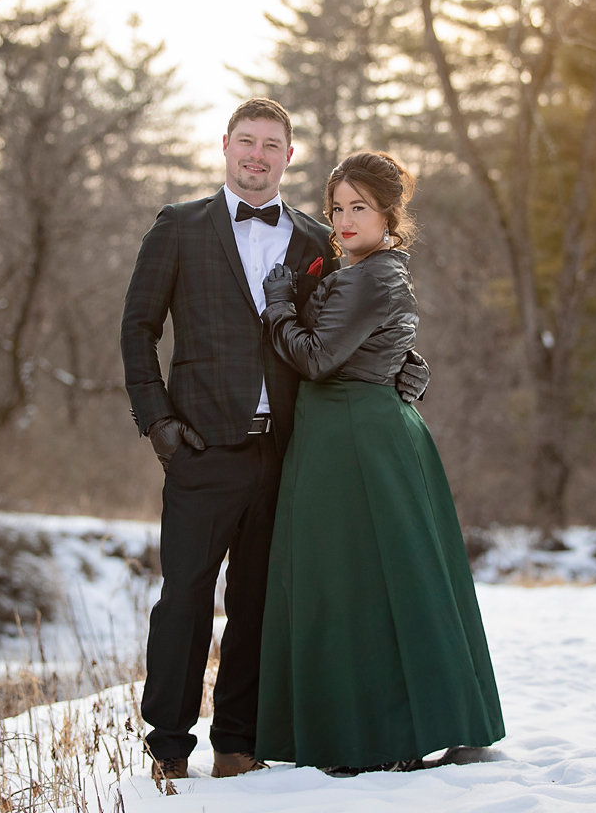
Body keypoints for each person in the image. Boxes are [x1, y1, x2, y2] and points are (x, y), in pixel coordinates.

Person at [120, 100, 429, 786]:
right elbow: (137, 329)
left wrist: (404, 365)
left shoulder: (320, 240)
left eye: (272, 145)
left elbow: (357, 320)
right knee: (185, 600)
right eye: (247, 143)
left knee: (261, 602)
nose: (257, 156)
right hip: (201, 449)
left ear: (289, 156)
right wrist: (158, 421)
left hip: (291, 452)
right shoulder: (178, 228)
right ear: (226, 146)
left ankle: (238, 741)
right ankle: (169, 744)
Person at [254, 150, 504, 774]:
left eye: (358, 208)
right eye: (336, 207)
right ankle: (379, 730)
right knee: (370, 582)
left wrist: (279, 303)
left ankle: (368, 738)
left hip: (355, 439)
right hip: (348, 433)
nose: (342, 220)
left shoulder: (372, 275)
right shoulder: (371, 271)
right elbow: (387, 351)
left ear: (389, 214)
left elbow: (314, 358)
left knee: (358, 583)